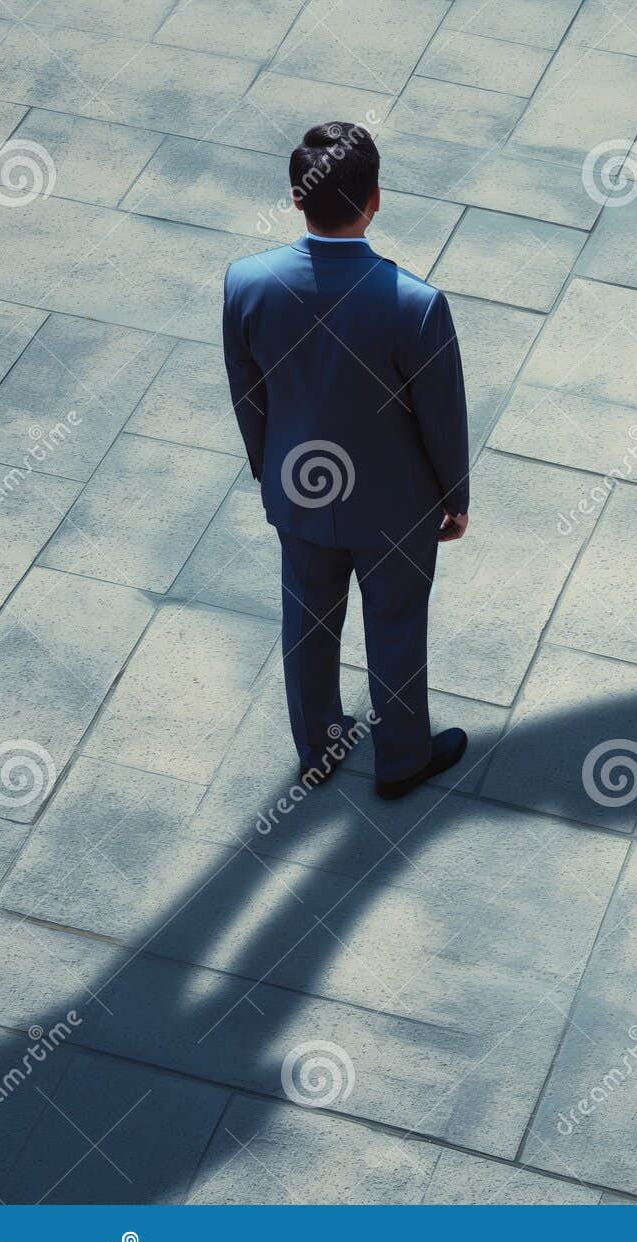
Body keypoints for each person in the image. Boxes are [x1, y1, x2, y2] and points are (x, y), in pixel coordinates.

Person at [222, 121, 468, 800]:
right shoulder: (416, 305)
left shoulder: (247, 283)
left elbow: (249, 394)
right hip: (396, 505)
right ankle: (402, 760)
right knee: (395, 623)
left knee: (307, 624)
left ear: (297, 198)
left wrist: (270, 471)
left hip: (299, 490)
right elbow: (442, 416)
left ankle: (319, 747)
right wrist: (455, 497)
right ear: (375, 200)